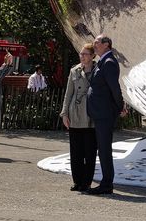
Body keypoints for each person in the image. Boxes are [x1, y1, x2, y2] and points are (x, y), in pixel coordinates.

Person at [87, 34, 126, 195]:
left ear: (106, 44)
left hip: (104, 113)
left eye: (97, 42)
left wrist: (120, 106)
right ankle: (106, 182)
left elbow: (114, 88)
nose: (94, 44)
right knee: (101, 148)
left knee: (104, 149)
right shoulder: (102, 62)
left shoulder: (109, 62)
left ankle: (107, 184)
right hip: (99, 112)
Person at [61, 44, 97, 191]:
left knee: (89, 152)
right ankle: (77, 181)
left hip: (90, 115)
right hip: (75, 114)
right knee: (75, 152)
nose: (82, 56)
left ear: (93, 56)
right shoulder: (74, 71)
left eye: (85, 54)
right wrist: (64, 113)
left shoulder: (98, 70)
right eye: (81, 54)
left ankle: (86, 182)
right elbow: (68, 94)